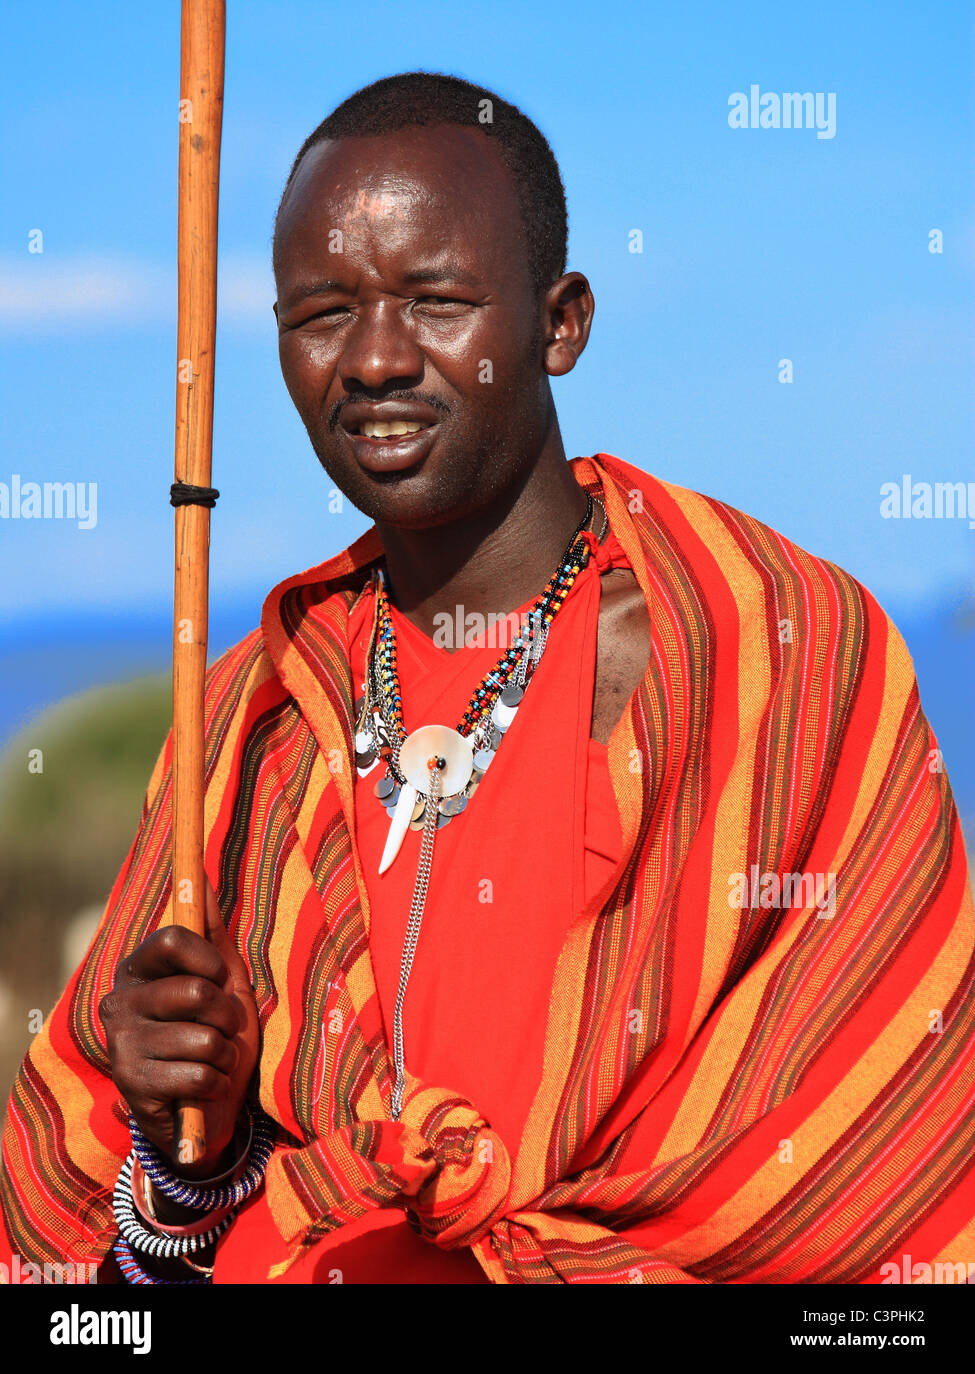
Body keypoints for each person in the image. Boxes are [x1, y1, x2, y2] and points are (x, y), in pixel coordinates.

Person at [2, 72, 972, 1286]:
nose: (373, 358)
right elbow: (116, 1277)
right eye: (320, 315)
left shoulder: (771, 653)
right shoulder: (255, 716)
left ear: (560, 322)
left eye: (436, 300)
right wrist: (184, 1155)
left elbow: (871, 1184)